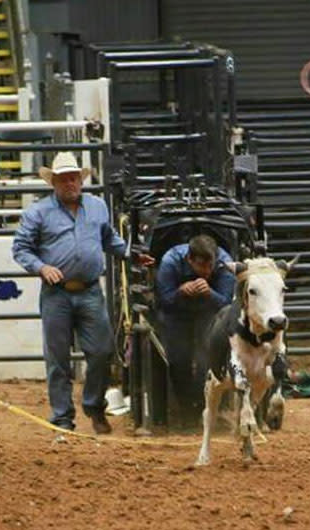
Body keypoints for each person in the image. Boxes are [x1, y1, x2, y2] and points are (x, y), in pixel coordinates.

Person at [12, 151, 152, 436]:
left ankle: (93, 405)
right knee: (57, 358)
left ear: (80, 180)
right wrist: (41, 267)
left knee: (101, 351)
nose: (70, 184)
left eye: (73, 178)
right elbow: (21, 248)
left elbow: (109, 239)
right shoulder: (38, 212)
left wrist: (131, 255)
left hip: (89, 290)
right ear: (54, 182)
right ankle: (62, 417)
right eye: (64, 179)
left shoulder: (97, 207)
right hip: (56, 292)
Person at [155, 234, 235, 423]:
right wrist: (180, 291)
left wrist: (210, 293)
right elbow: (162, 301)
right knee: (178, 359)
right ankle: (186, 409)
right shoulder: (170, 262)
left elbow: (226, 304)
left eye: (210, 266)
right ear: (189, 259)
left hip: (210, 315)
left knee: (207, 360)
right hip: (177, 314)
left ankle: (207, 407)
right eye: (201, 266)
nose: (206, 271)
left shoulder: (225, 264)